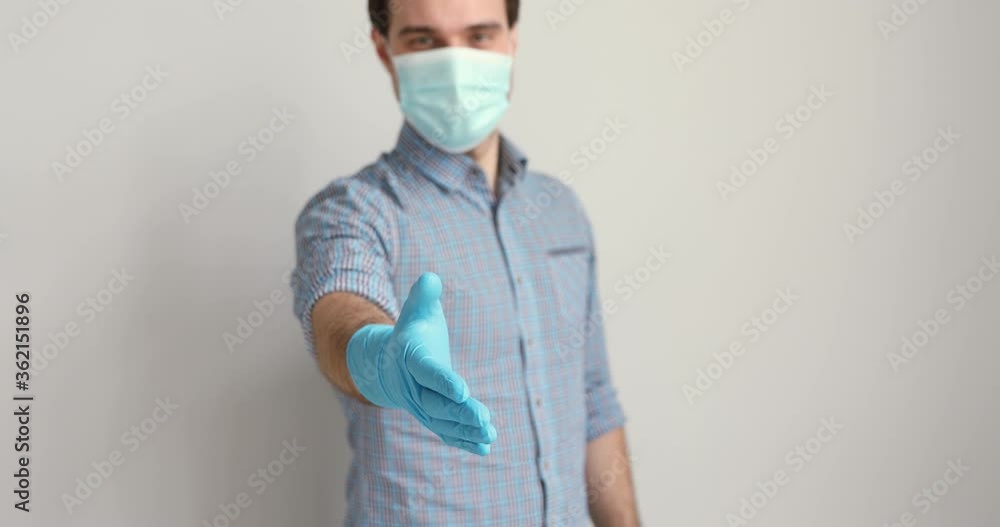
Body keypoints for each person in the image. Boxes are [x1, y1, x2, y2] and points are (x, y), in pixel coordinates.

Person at [291, 1, 640, 524]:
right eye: (425, 41)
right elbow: (341, 308)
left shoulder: (560, 211)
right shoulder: (354, 210)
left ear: (512, 42)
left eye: (479, 36)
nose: (456, 64)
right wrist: (379, 359)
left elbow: (594, 401)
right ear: (384, 51)